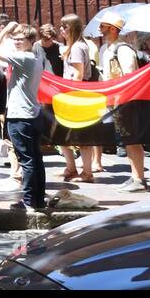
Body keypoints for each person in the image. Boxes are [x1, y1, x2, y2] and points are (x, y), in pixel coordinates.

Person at [0, 23, 46, 213]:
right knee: (35, 158)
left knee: (27, 160)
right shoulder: (33, 58)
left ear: (31, 41)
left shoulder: (24, 57)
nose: (16, 41)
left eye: (21, 39)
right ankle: (37, 199)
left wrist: (4, 30)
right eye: (15, 38)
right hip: (31, 114)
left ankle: (29, 201)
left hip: (21, 115)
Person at [95, 15, 150, 192]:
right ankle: (135, 176)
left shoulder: (123, 49)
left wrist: (120, 97)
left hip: (125, 102)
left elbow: (130, 77)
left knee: (132, 140)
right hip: (116, 101)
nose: (99, 29)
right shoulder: (108, 48)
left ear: (112, 28)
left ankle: (139, 179)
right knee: (128, 141)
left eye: (103, 26)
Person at [57, 14, 97, 184]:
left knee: (82, 136)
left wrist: (69, 95)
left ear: (72, 28)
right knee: (62, 136)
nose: (61, 29)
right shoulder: (73, 47)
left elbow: (78, 76)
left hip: (77, 96)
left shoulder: (77, 48)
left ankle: (87, 173)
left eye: (64, 26)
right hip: (71, 95)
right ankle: (71, 168)